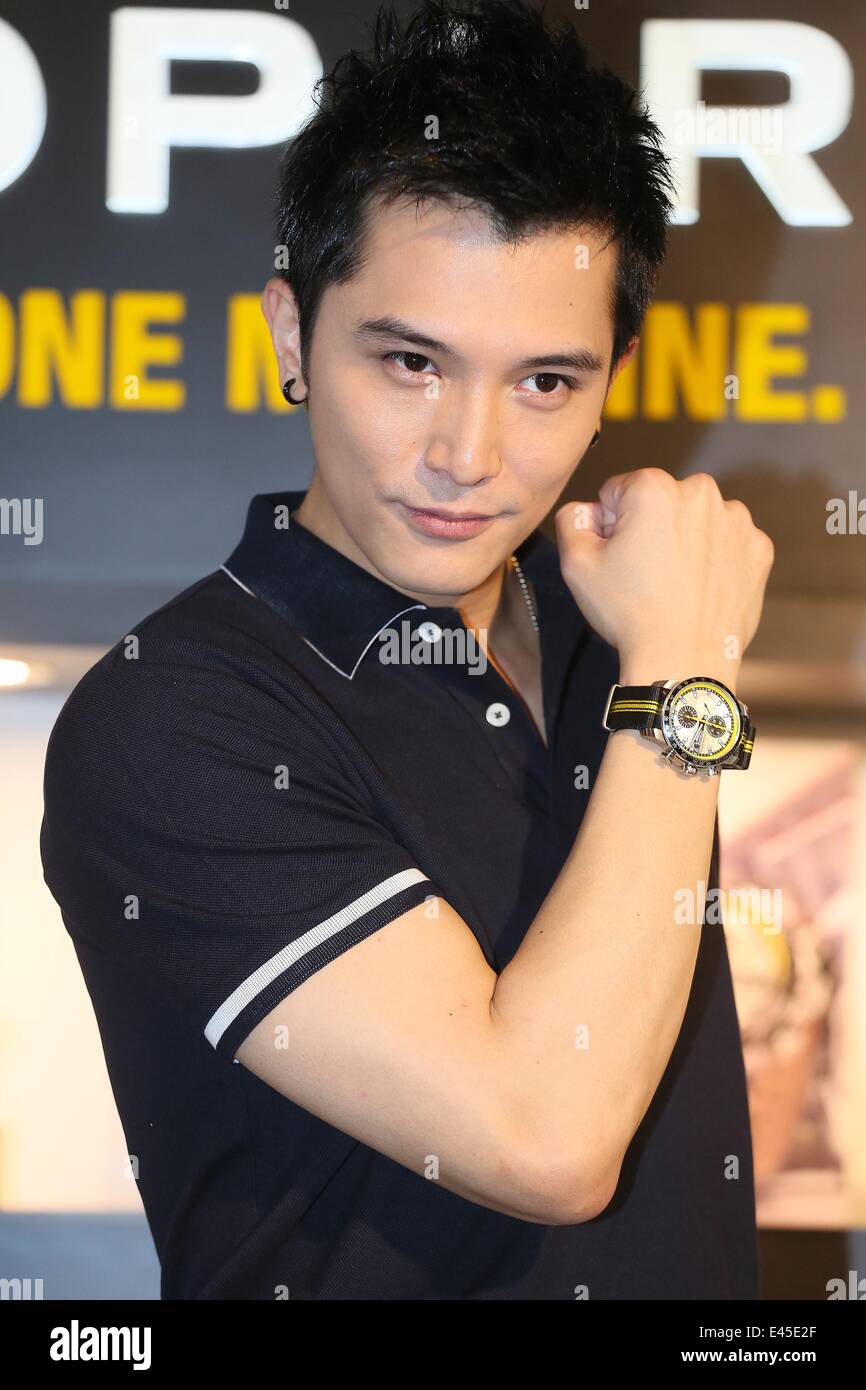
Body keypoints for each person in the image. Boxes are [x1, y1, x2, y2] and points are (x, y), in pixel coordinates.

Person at [40, 0, 774, 1299]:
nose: (468, 454)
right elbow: (541, 1139)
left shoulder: (612, 620)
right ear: (289, 333)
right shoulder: (176, 716)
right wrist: (684, 671)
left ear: (614, 373)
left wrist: (657, 656)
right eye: (412, 362)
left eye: (545, 380)